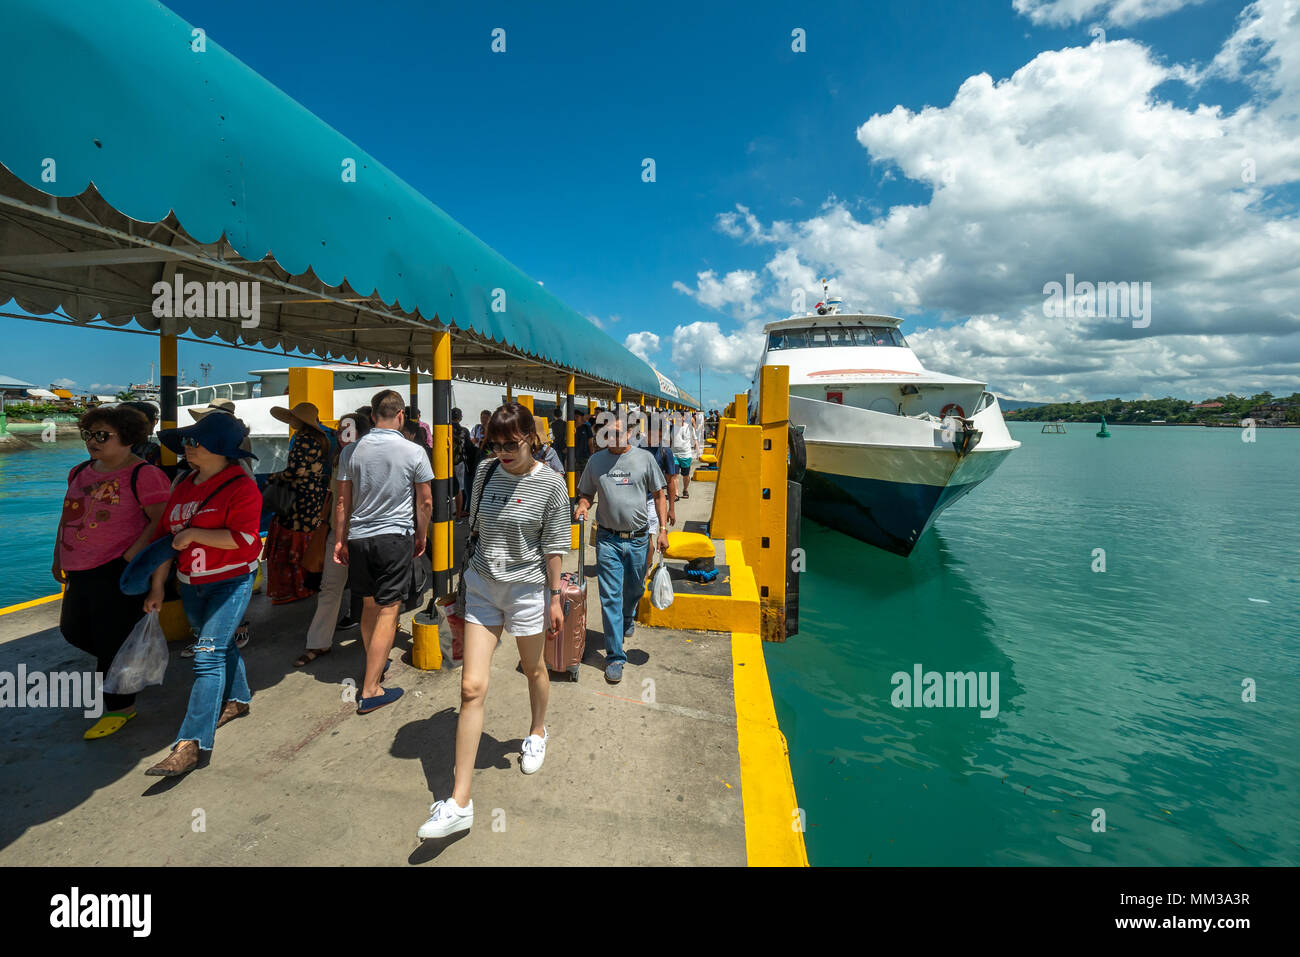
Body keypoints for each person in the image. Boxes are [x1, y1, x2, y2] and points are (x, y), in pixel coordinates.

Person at [417, 403, 570, 840]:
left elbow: (554, 546)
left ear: (532, 438)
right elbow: (477, 526)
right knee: (470, 688)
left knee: (534, 669)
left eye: (511, 443)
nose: (502, 451)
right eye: (494, 443)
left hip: (527, 591)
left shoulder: (551, 485)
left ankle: (537, 729)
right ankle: (459, 800)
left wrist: (555, 597)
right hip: (483, 587)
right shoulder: (485, 472)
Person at [142, 412, 263, 777]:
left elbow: (245, 542)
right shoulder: (184, 484)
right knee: (219, 646)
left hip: (231, 582)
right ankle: (239, 699)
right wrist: (158, 585)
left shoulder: (242, 488)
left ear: (220, 449)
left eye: (194, 442)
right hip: (191, 585)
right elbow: (166, 538)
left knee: (206, 657)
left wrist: (194, 535)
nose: (187, 448)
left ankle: (190, 744)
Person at [55, 405, 171, 739]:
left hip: (117, 569)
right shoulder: (79, 471)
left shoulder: (144, 474)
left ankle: (120, 708)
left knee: (111, 639)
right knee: (73, 630)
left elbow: (161, 522)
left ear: (127, 437)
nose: (93, 440)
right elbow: (68, 517)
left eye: (102, 435)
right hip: (79, 567)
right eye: (89, 434)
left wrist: (135, 555)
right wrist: (57, 554)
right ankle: (128, 667)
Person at [334, 389, 433, 714]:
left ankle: (376, 665)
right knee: (389, 611)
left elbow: (342, 501)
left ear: (373, 415)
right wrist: (422, 535)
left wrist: (340, 539)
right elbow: (426, 502)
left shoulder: (352, 452)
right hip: (394, 538)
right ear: (401, 415)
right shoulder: (414, 451)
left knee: (368, 607)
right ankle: (372, 688)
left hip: (360, 537)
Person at [574, 413, 667, 684]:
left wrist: (662, 530)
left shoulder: (645, 459)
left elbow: (659, 494)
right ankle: (615, 657)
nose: (612, 438)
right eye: (607, 433)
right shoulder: (596, 461)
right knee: (610, 596)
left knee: (635, 587)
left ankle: (628, 615)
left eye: (617, 433)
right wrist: (582, 504)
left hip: (639, 539)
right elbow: (586, 493)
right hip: (608, 539)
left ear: (629, 434)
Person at [296, 410, 372, 667]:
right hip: (336, 532)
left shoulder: (371, 458)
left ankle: (379, 640)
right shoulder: (339, 458)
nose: (342, 435)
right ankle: (318, 642)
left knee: (372, 592)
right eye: (340, 430)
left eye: (347, 430)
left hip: (365, 534)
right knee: (330, 587)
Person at [263, 402, 331, 604]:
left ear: (301, 420)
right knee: (306, 538)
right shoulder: (322, 439)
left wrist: (273, 478)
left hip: (297, 499)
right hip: (313, 495)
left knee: (290, 538)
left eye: (293, 418)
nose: (291, 421)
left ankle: (295, 587)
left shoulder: (303, 440)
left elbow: (294, 472)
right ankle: (308, 582)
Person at [120, 400, 162, 467]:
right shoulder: (152, 450)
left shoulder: (111, 447)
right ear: (145, 423)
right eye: (155, 420)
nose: (155, 423)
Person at [672, 410, 698, 499]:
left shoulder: (689, 427)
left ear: (683, 417)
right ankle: (676, 494)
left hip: (686, 455)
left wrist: (698, 452)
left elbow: (695, 439)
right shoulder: (671, 428)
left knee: (686, 476)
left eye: (679, 416)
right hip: (674, 454)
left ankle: (685, 490)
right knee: (675, 475)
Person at [452, 408, 471, 518]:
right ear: (460, 418)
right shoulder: (464, 430)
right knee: (459, 488)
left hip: (445, 462)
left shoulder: (444, 428)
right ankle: (459, 515)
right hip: (459, 462)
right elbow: (468, 447)